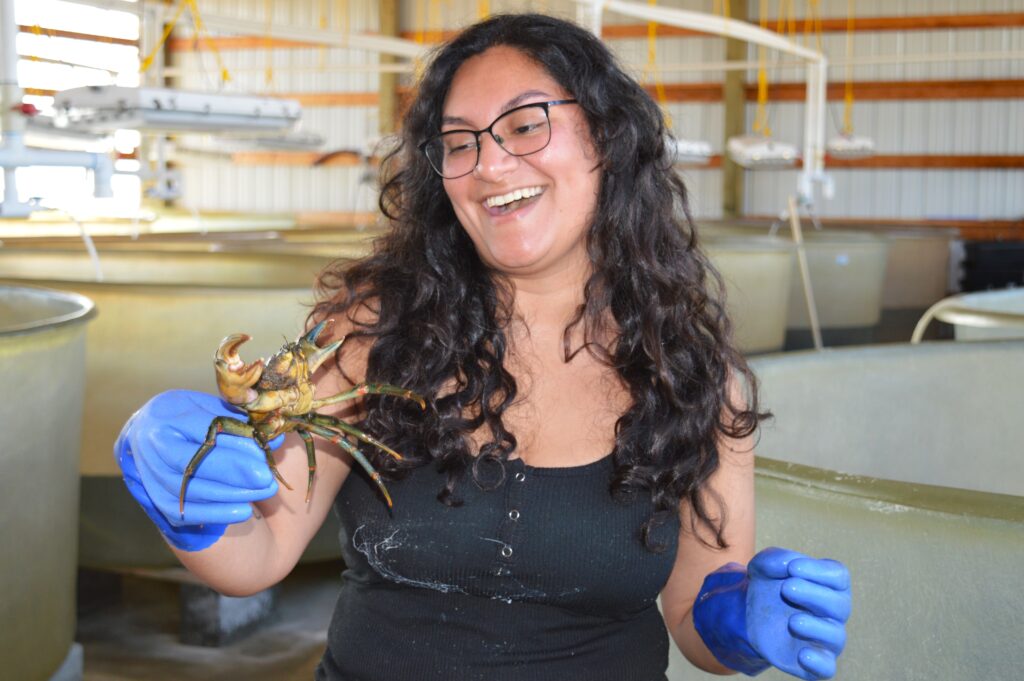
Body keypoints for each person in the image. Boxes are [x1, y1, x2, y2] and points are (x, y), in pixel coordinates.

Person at [115, 13, 850, 681]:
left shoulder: (691, 375)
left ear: (606, 138)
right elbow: (259, 554)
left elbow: (693, 613)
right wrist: (184, 500)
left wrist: (736, 622)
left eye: (525, 125)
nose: (489, 165)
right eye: (459, 142)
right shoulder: (372, 332)